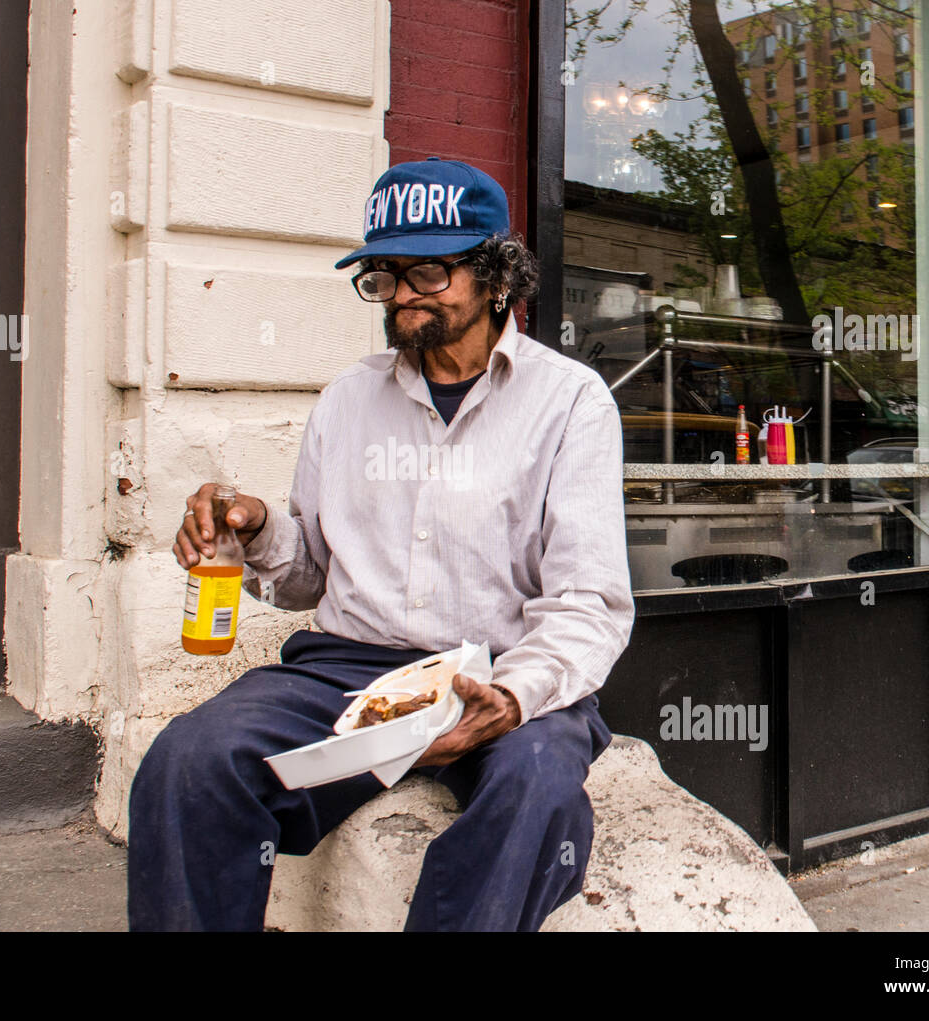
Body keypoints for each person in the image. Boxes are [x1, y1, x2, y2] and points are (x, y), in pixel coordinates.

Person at [127, 157, 635, 931]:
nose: (400, 295)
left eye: (427, 272)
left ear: (496, 276)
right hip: (349, 669)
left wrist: (512, 696)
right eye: (384, 275)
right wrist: (257, 526)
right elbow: (310, 575)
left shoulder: (570, 403)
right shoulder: (348, 398)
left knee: (537, 787)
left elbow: (589, 603)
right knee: (188, 762)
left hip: (501, 668)